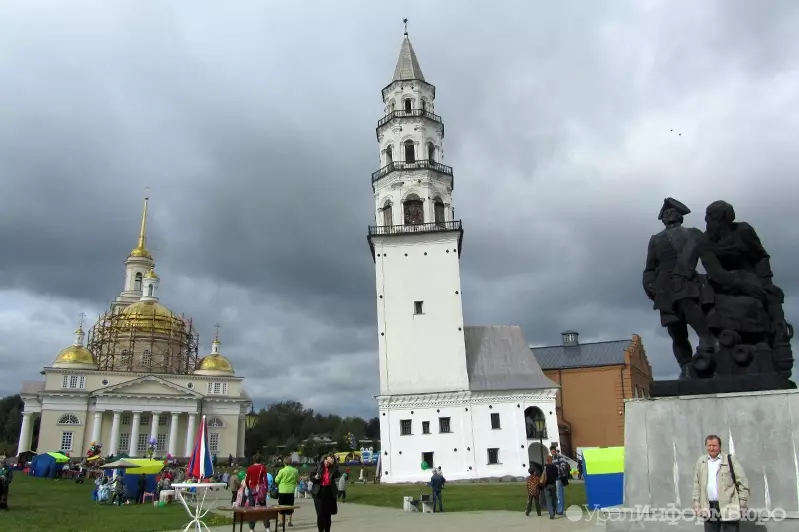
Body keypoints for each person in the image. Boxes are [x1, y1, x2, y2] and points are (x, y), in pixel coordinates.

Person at [692, 435, 749, 532]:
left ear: (720, 446)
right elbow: (696, 484)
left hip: (729, 505)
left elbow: (743, 482)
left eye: (714, 445)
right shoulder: (701, 462)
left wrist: (742, 504)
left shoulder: (730, 460)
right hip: (709, 506)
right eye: (709, 445)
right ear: (706, 446)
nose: (711, 448)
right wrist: (697, 503)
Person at [312, 454, 340, 532]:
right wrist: (315, 477)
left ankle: (327, 530)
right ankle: (320, 530)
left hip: (329, 492)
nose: (327, 462)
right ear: (323, 460)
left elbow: (338, 474)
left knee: (328, 515)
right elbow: (311, 477)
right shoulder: (319, 467)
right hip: (319, 492)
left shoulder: (333, 468)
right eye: (326, 460)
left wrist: (335, 463)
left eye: (330, 461)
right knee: (320, 514)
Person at [245, 455, 271, 532]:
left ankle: (252, 528)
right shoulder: (263, 467)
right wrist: (266, 489)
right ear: (260, 460)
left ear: (253, 460)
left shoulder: (249, 468)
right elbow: (265, 479)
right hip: (260, 489)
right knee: (263, 508)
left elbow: (247, 480)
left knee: (251, 508)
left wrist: (248, 487)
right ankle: (267, 527)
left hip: (252, 488)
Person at [274, 457, 299, 528]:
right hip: (291, 490)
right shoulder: (295, 471)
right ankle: (289, 521)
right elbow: (298, 480)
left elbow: (276, 480)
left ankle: (281, 521)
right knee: (290, 506)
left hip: (282, 490)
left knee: (281, 506)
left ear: (284, 463)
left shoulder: (282, 471)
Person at [550, 445, 569, 516]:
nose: (553, 452)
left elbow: (564, 466)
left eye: (553, 451)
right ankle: (557, 508)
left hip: (559, 478)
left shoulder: (560, 457)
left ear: (555, 450)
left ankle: (560, 510)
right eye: (552, 451)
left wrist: (556, 470)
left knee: (559, 494)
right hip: (553, 479)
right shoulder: (552, 458)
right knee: (555, 495)